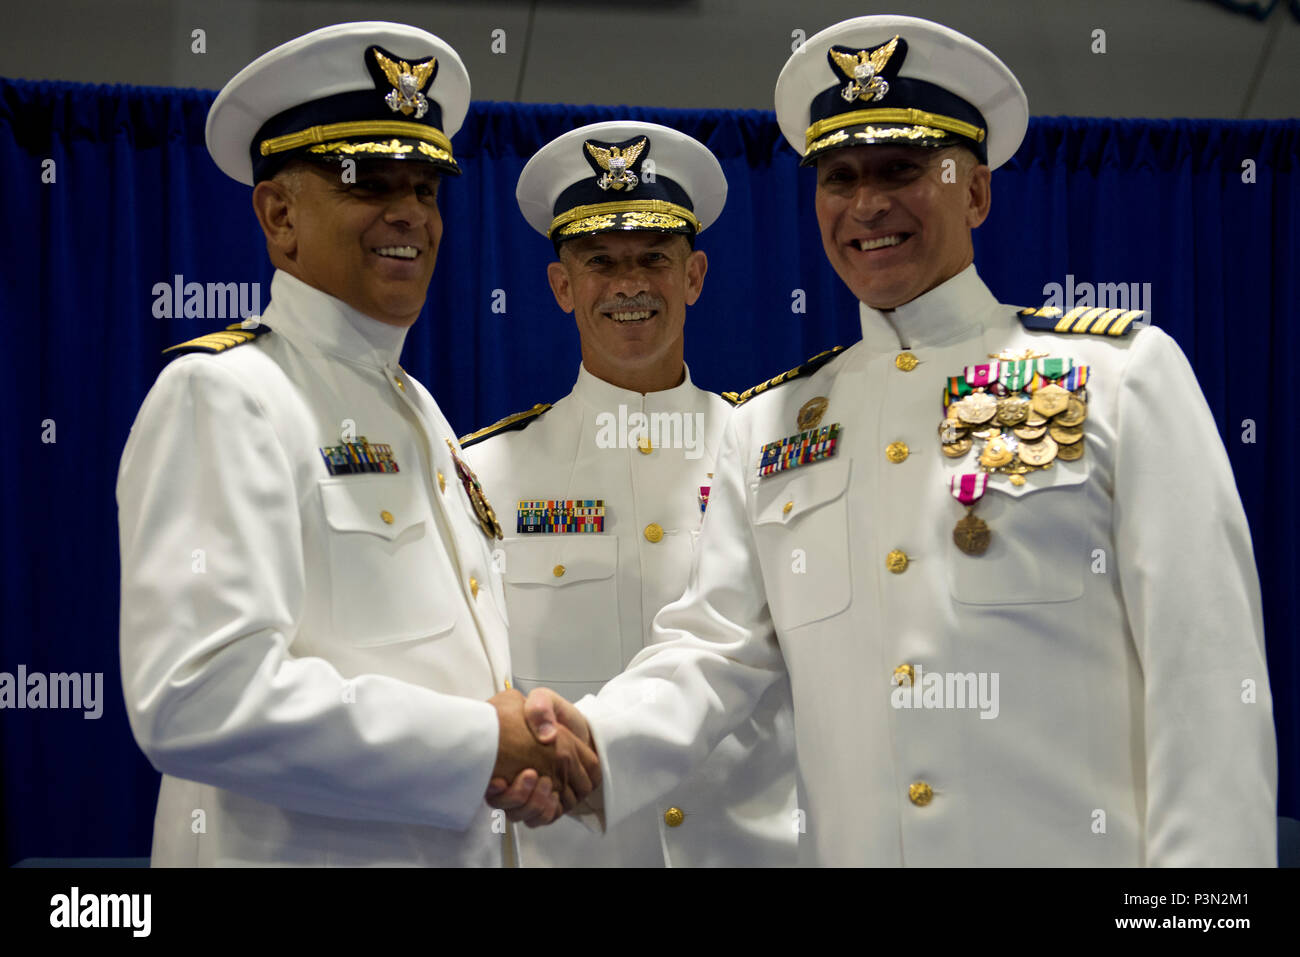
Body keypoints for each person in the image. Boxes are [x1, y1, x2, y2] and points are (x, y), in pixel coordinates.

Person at [495, 14, 1278, 866]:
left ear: (973, 190)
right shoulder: (770, 429)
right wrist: (587, 740)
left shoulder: (1122, 378)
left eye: (901, 170)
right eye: (839, 177)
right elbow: (713, 651)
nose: (867, 204)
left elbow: (1208, 684)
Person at [117, 21, 596, 867]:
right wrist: (479, 742)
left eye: (426, 187)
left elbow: (429, 674)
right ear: (279, 214)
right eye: (367, 182)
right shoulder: (226, 395)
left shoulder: (424, 413)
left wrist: (513, 736)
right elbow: (196, 696)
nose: (408, 213)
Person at [463, 121, 797, 866]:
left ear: (695, 276)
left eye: (653, 258)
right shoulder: (485, 474)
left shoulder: (776, 456)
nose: (629, 285)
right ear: (561, 285)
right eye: (601, 262)